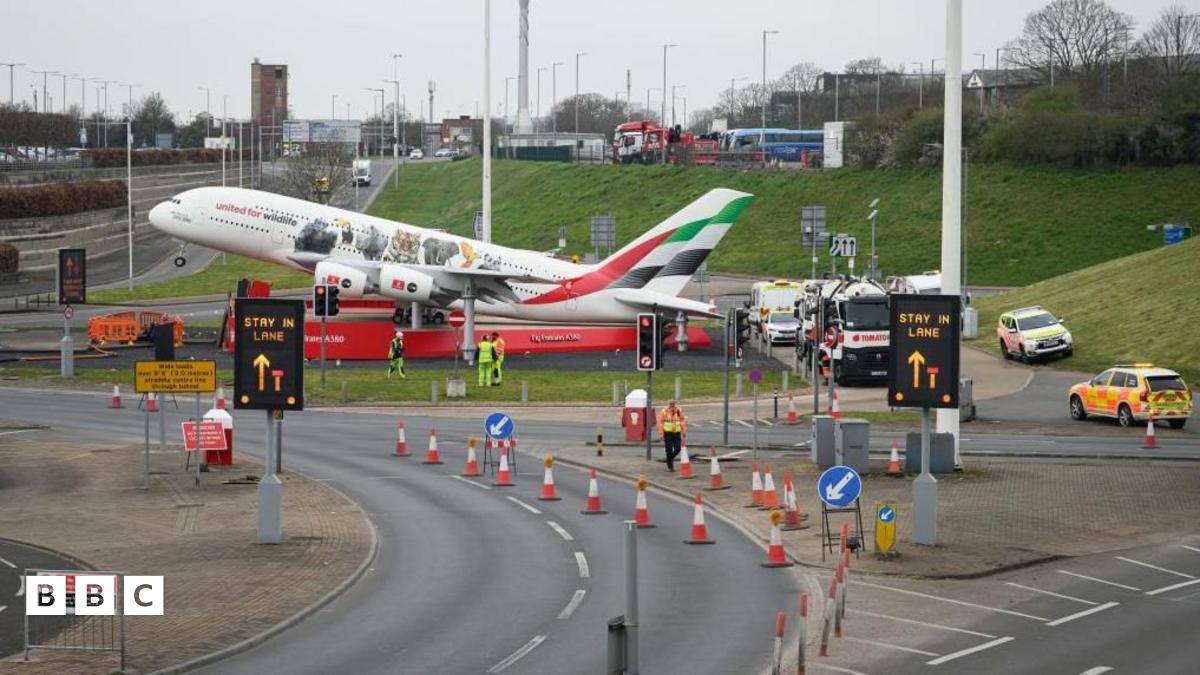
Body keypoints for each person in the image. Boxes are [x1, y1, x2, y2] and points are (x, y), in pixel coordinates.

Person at [659, 399, 686, 472]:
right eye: (671, 404)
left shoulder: (679, 410)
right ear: (669, 404)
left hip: (677, 432)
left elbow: (682, 421)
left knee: (678, 448)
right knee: (669, 450)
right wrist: (661, 434)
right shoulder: (664, 411)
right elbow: (661, 423)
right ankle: (670, 466)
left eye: (673, 404)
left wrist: (683, 431)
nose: (672, 405)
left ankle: (669, 459)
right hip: (667, 433)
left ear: (675, 404)